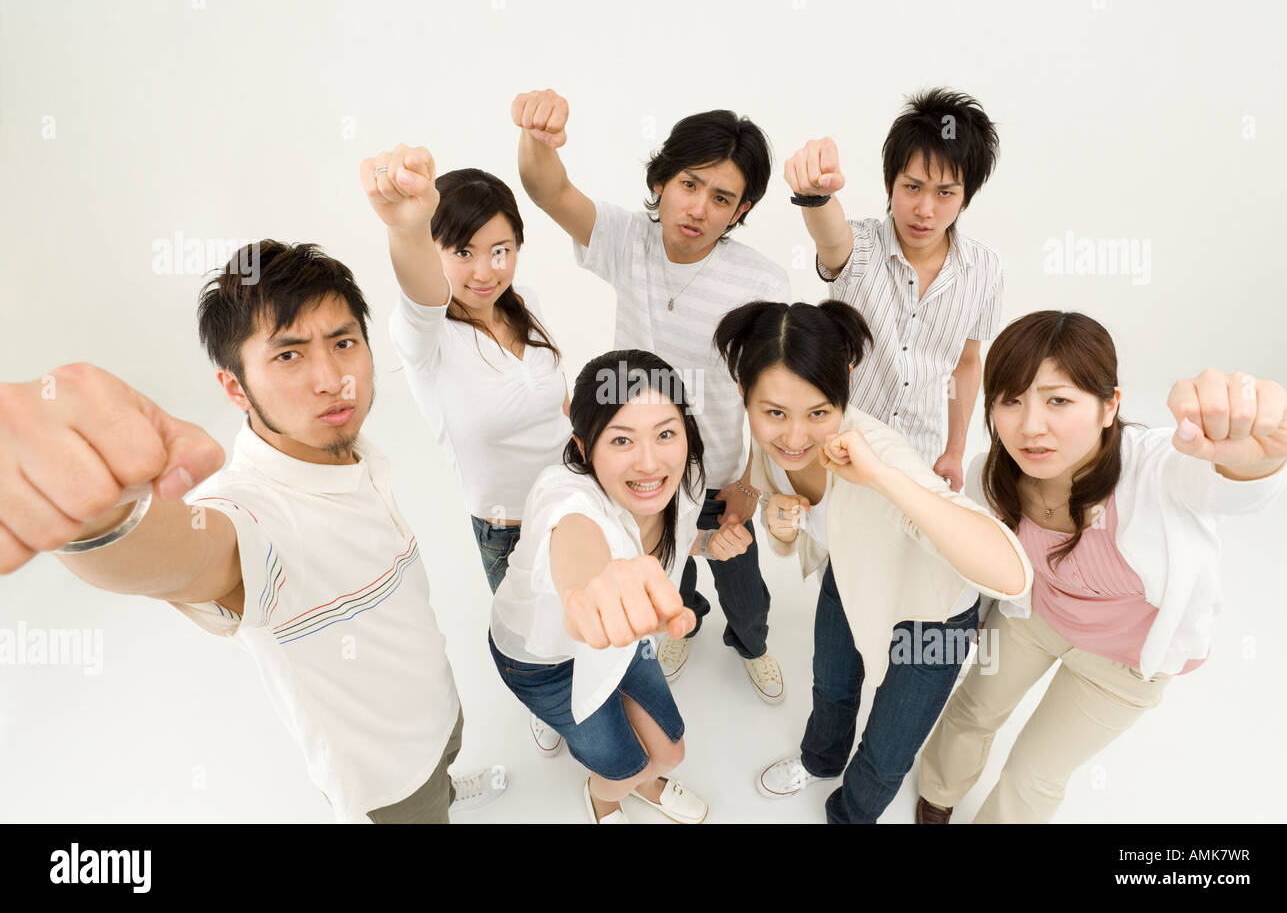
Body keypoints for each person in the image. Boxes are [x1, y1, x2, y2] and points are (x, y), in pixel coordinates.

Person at [0, 241, 504, 823]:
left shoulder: (350, 448)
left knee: (446, 751)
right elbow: (187, 553)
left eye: (343, 343)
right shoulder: (251, 510)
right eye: (289, 356)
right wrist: (94, 515)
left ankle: (445, 779)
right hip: (386, 783)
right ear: (236, 388)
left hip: (434, 708)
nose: (332, 379)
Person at [914, 310, 1287, 823]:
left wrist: (1254, 457)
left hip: (1122, 665)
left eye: (1058, 400)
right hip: (1035, 621)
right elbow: (980, 555)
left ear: (1108, 406)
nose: (1031, 426)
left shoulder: (1151, 468)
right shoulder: (994, 477)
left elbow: (1221, 481)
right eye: (1011, 400)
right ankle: (938, 791)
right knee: (972, 710)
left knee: (1032, 776)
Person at [512, 88, 791, 702]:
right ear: (662, 179)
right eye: (689, 184)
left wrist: (749, 478)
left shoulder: (761, 282)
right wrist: (538, 138)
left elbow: (770, 399)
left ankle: (753, 643)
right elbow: (549, 190)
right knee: (667, 566)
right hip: (642, 467)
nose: (698, 208)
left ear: (740, 210)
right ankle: (681, 623)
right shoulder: (626, 238)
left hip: (717, 472)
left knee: (742, 583)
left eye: (722, 198)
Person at [709, 299, 1033, 823]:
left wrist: (884, 478)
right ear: (745, 396)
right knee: (831, 686)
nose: (794, 437)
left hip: (932, 616)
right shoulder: (766, 443)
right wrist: (780, 526)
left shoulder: (880, 455)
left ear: (846, 383)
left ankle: (851, 814)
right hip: (853, 578)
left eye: (818, 412)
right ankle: (819, 761)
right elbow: (790, 515)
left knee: (888, 746)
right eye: (774, 413)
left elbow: (1013, 574)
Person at [360, 144, 572, 756]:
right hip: (508, 522)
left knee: (578, 613)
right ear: (437, 253)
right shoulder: (426, 337)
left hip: (575, 497)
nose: (485, 270)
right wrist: (408, 223)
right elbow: (420, 291)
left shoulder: (517, 310)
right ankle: (544, 702)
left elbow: (554, 397)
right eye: (462, 252)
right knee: (531, 633)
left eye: (500, 249)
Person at [489, 350, 753, 823]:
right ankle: (604, 799)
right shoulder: (564, 492)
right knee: (621, 764)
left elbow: (684, 538)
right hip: (547, 662)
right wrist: (586, 589)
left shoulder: (685, 478)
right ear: (585, 447)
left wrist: (713, 545)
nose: (650, 463)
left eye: (666, 434)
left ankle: (644, 784)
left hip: (630, 641)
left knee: (669, 753)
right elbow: (576, 537)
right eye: (623, 440)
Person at [787, 88, 1002, 491]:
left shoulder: (985, 269)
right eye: (913, 187)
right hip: (840, 453)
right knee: (837, 556)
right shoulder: (862, 247)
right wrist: (816, 195)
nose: (925, 210)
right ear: (890, 184)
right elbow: (831, 240)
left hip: (917, 461)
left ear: (965, 197)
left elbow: (967, 362)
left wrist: (955, 451)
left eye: (945, 193)